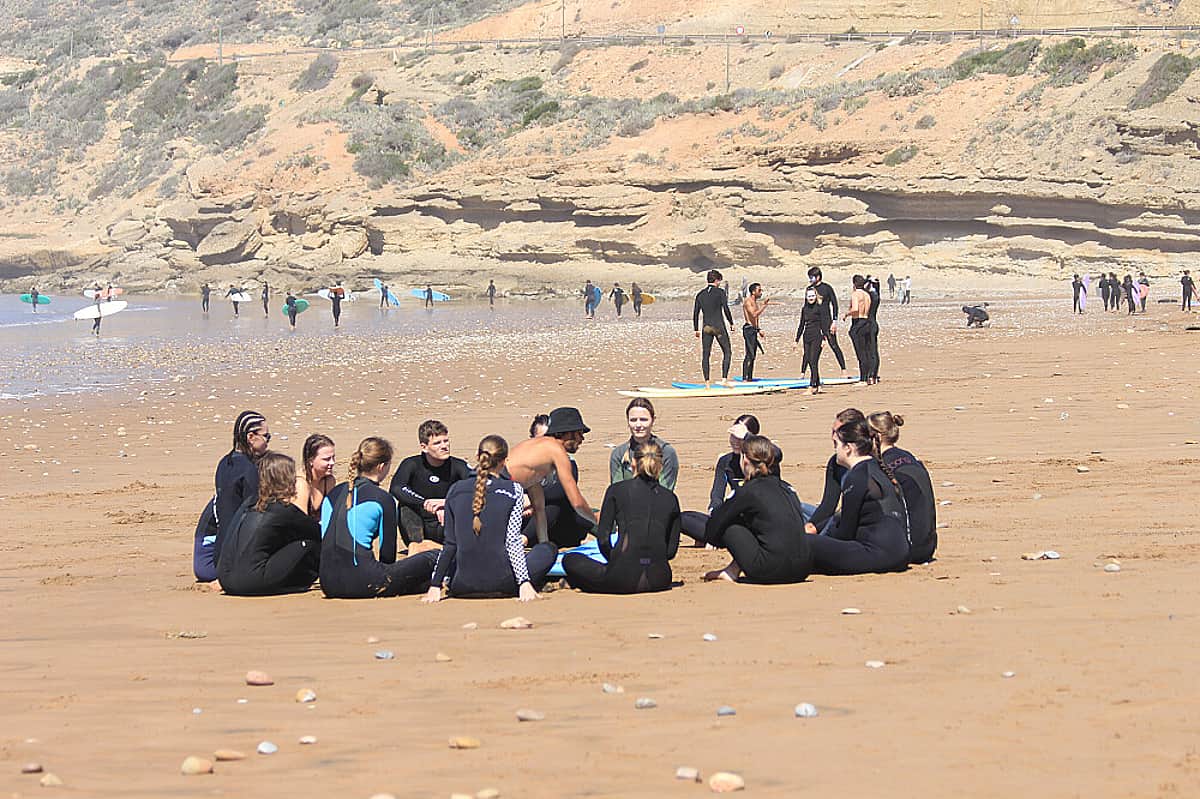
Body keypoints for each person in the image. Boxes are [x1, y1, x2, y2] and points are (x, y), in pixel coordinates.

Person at [423, 435, 557, 602]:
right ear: (504, 461)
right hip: (504, 584)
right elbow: (512, 541)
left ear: (478, 458)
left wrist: (435, 585)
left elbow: (450, 544)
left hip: (461, 586)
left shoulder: (455, 489)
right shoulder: (513, 489)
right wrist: (524, 582)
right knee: (547, 549)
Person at [319, 437, 439, 599]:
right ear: (382, 467)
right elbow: (387, 556)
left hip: (328, 583)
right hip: (364, 582)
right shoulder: (382, 499)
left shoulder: (332, 494)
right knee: (433, 556)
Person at [564, 440, 681, 594]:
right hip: (660, 579)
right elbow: (671, 551)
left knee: (570, 559)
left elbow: (603, 539)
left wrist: (615, 561)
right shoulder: (671, 498)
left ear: (633, 462)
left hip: (621, 579)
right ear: (660, 464)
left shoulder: (616, 490)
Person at [701, 435, 812, 584]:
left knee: (731, 524)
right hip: (803, 568)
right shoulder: (786, 487)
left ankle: (732, 571)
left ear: (745, 459)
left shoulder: (748, 490)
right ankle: (732, 570)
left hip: (768, 570)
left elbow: (712, 529)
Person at [809, 418, 910, 575]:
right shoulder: (878, 468)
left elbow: (845, 532)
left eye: (837, 445)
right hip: (900, 553)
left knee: (806, 542)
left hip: (877, 554)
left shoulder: (857, 476)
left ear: (848, 448)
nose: (835, 450)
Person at [217, 453, 321, 596]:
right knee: (310, 544)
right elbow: (317, 533)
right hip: (251, 583)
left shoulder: (249, 503)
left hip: (225, 579)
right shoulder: (285, 510)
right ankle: (299, 582)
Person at [680, 415, 783, 544]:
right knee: (683, 517)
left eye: (738, 438)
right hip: (732, 516)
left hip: (758, 520)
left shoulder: (765, 461)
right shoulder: (725, 461)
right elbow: (717, 495)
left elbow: (778, 453)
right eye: (732, 436)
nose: (735, 441)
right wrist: (714, 514)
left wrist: (747, 437)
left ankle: (714, 538)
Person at [506, 407, 598, 546]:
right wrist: (597, 522)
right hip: (494, 495)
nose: (582, 438)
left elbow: (539, 507)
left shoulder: (534, 449)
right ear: (568, 434)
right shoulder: (556, 450)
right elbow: (577, 503)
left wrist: (544, 544)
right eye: (579, 433)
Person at [204, 411, 272, 577]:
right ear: (251, 437)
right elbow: (254, 513)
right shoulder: (250, 470)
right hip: (237, 555)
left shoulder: (225, 463)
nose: (268, 442)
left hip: (220, 552)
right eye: (266, 436)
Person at [389, 419, 471, 547]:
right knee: (405, 507)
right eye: (437, 443)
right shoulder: (411, 464)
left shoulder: (459, 465)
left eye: (446, 441)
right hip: (420, 525)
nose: (444, 446)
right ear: (424, 447)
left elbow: (478, 488)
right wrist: (425, 502)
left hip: (448, 522)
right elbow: (397, 488)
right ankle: (417, 547)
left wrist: (447, 502)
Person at [867, 411, 936, 563]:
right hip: (928, 545)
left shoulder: (882, 466)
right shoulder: (909, 457)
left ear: (876, 437)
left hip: (907, 548)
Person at [806, 408, 866, 537]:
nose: (833, 437)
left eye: (837, 432)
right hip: (836, 517)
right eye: (832, 431)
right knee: (797, 507)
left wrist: (817, 528)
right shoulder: (836, 462)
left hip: (855, 524)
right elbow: (828, 503)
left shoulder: (867, 466)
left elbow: (848, 514)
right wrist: (811, 525)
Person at [609, 398, 679, 490]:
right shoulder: (619, 454)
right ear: (628, 421)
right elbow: (617, 489)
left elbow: (666, 491)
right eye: (633, 420)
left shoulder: (666, 452)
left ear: (653, 420)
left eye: (643, 420)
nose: (638, 425)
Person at [693, 269, 734, 387]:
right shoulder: (720, 292)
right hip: (718, 326)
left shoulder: (700, 294)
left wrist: (695, 329)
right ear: (717, 280)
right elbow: (726, 308)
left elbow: (696, 313)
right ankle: (724, 379)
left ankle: (707, 383)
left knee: (706, 354)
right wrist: (731, 323)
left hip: (706, 327)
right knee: (727, 352)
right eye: (719, 281)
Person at [807, 267, 850, 378]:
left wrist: (834, 322)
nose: (810, 280)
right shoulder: (809, 289)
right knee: (811, 349)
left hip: (826, 321)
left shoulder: (827, 288)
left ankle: (844, 370)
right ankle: (807, 373)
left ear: (818, 277)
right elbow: (806, 306)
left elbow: (835, 304)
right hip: (814, 323)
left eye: (812, 277)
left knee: (834, 345)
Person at [294, 434, 336, 521]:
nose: (332, 462)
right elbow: (299, 521)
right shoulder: (300, 483)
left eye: (333, 457)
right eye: (326, 459)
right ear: (311, 460)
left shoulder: (329, 480)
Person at [844, 275, 873, 385]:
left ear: (854, 284)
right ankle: (869, 376)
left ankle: (863, 379)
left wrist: (847, 314)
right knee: (866, 351)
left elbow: (855, 309)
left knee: (860, 353)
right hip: (866, 321)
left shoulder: (856, 294)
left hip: (858, 322)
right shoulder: (867, 295)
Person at [795, 286, 825, 394]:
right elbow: (801, 324)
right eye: (809, 296)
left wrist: (824, 339)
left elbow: (824, 324)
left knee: (813, 361)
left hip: (817, 336)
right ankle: (818, 385)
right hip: (806, 336)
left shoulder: (819, 308)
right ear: (806, 297)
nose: (811, 298)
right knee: (809, 360)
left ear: (816, 296)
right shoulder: (805, 309)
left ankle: (812, 387)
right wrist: (796, 340)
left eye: (812, 296)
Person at [740, 282, 769, 382]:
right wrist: (764, 306)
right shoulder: (748, 301)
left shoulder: (755, 302)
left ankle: (750, 377)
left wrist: (758, 329)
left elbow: (755, 320)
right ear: (753, 292)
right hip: (748, 329)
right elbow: (753, 315)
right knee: (749, 354)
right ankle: (744, 378)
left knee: (753, 355)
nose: (761, 292)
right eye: (759, 290)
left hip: (753, 330)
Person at [865, 275, 882, 384]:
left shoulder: (870, 296)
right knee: (873, 351)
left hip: (869, 324)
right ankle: (873, 375)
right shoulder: (876, 295)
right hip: (873, 324)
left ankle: (871, 374)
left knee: (870, 351)